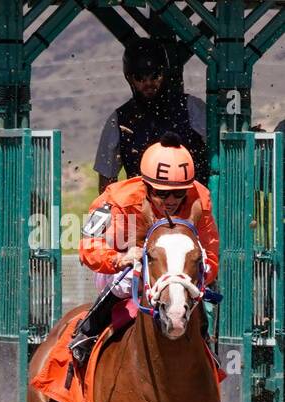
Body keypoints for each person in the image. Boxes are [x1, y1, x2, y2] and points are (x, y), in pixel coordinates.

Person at [72, 134, 219, 368]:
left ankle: (206, 346)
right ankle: (88, 333)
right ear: (146, 186)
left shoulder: (199, 199)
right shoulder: (115, 199)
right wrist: (118, 258)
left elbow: (211, 255)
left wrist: (200, 268)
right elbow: (87, 246)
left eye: (179, 192)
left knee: (196, 285)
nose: (171, 200)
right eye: (162, 193)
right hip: (120, 270)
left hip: (176, 273)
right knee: (129, 278)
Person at [94, 38, 208, 193]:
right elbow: (107, 178)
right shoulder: (119, 120)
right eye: (140, 78)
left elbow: (219, 154)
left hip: (191, 207)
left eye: (155, 76)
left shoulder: (192, 108)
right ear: (130, 78)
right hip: (143, 209)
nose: (148, 83)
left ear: (164, 73)